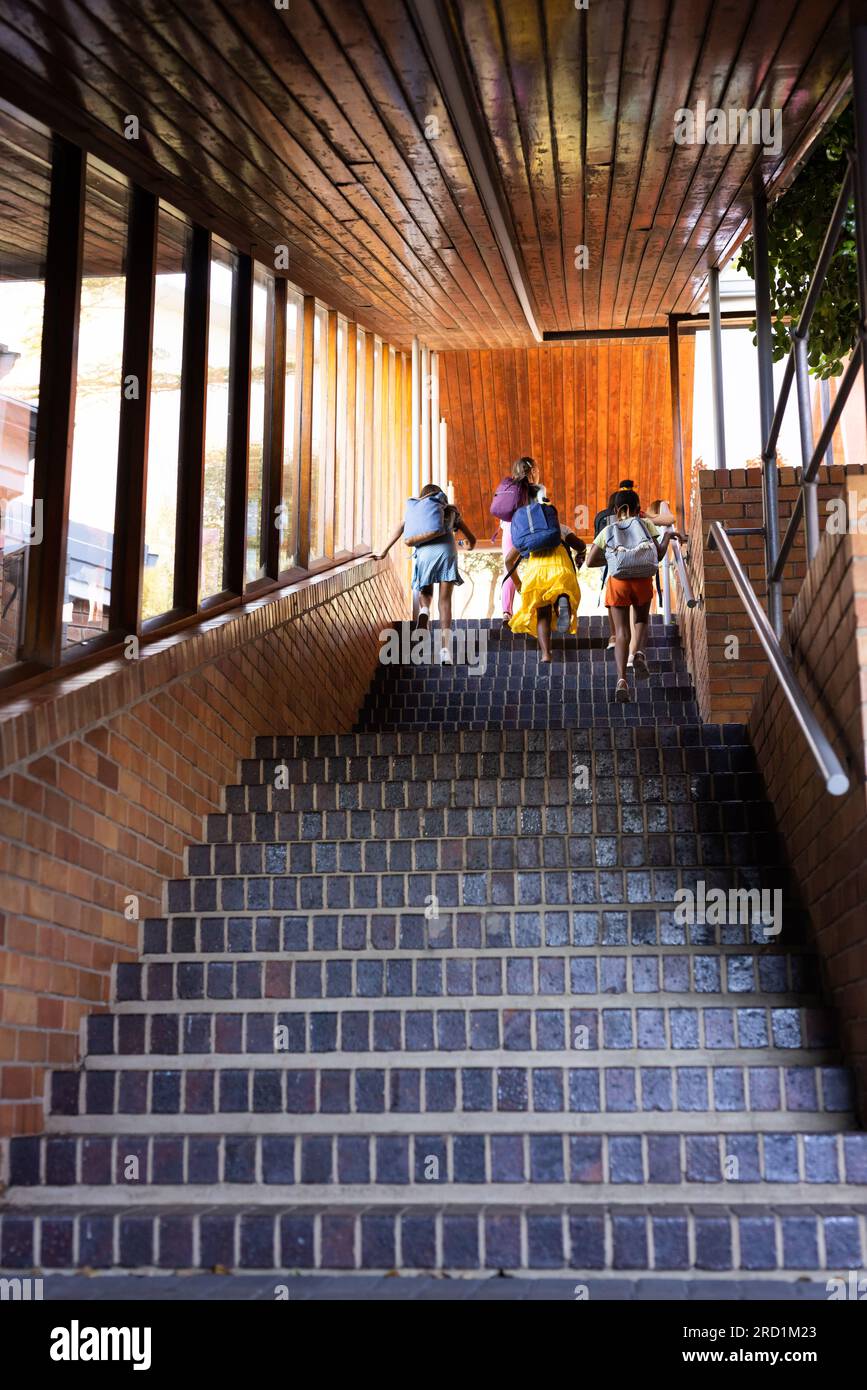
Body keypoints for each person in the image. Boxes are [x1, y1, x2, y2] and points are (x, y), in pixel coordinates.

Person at [585, 486, 687, 702]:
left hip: (618, 583)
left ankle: (622, 679)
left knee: (621, 632)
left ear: (615, 509)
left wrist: (614, 559)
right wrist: (667, 537)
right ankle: (638, 653)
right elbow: (658, 555)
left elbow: (590, 561)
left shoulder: (608, 530)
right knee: (640, 620)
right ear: (638, 508)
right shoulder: (646, 524)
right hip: (642, 581)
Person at [373, 483, 476, 664]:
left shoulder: (416, 510)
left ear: (423, 497)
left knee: (426, 591)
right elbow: (471, 541)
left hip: (425, 554)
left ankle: (424, 610)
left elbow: (400, 528)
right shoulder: (450, 511)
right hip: (446, 552)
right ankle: (445, 650)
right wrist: (463, 544)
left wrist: (384, 551)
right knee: (444, 602)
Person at [504, 484, 585, 664]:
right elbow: (580, 545)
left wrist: (518, 584)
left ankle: (546, 654)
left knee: (542, 613)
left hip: (536, 570)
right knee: (560, 593)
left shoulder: (525, 532)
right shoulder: (559, 527)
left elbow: (508, 561)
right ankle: (561, 603)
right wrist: (581, 553)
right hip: (559, 565)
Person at [491, 456, 536, 628]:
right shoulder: (535, 489)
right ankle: (534, 609)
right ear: (532, 471)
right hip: (527, 528)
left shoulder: (508, 486)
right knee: (536, 565)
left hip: (508, 529)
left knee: (509, 567)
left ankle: (506, 612)